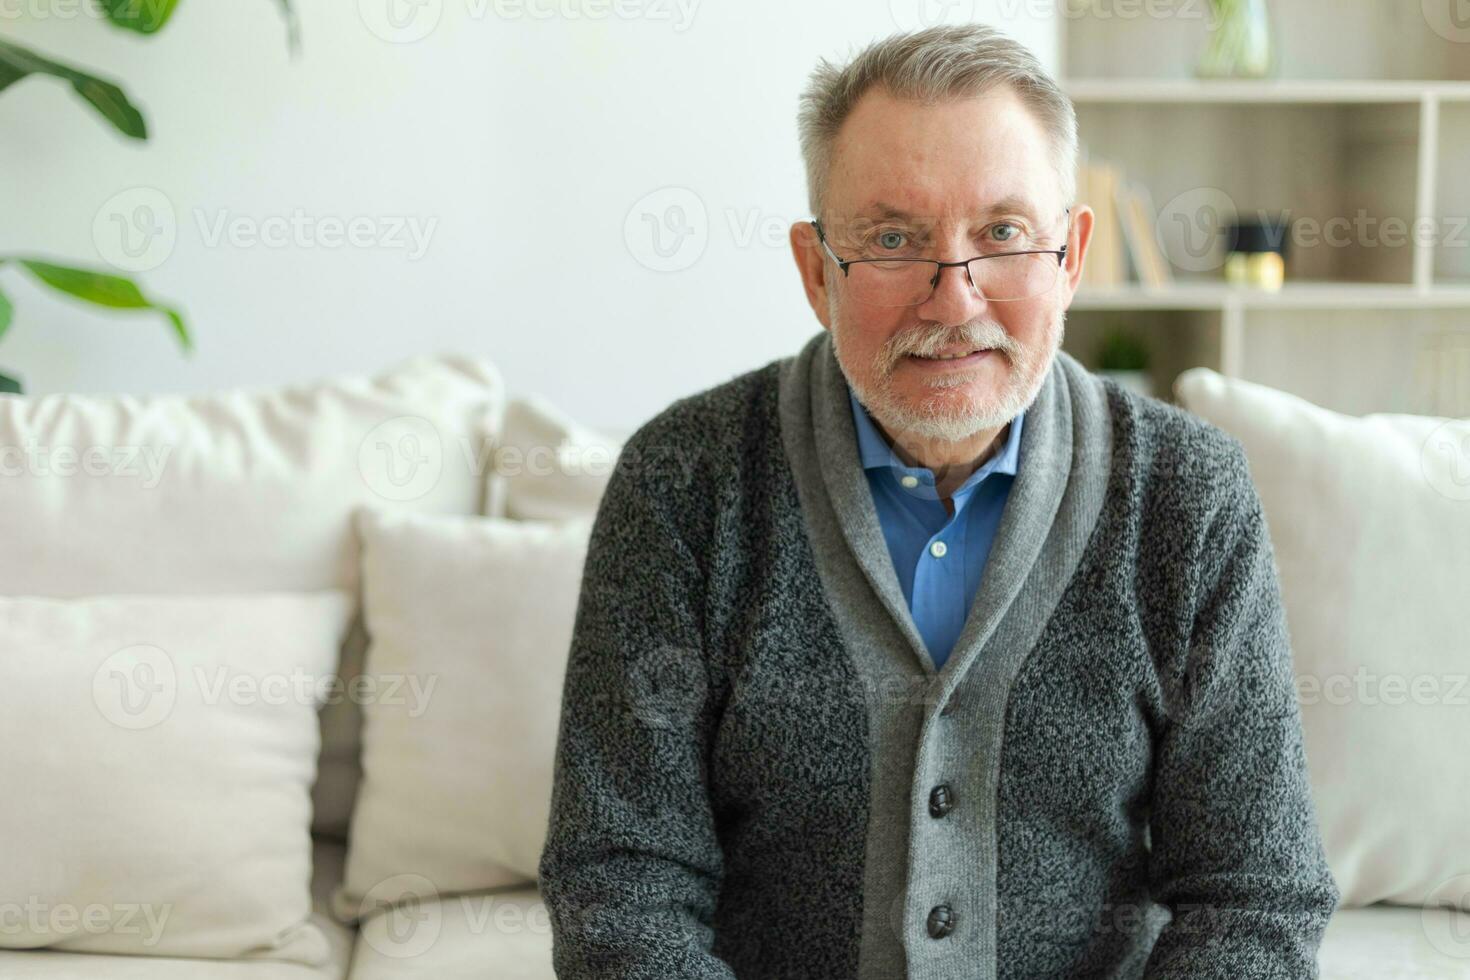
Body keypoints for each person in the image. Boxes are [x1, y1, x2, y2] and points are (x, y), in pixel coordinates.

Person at [538, 23, 1339, 979]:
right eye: (892, 239)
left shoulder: (1189, 497)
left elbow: (1255, 897)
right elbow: (620, 887)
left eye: (1001, 234)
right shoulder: (680, 483)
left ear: (1070, 256)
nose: (953, 300)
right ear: (814, 271)